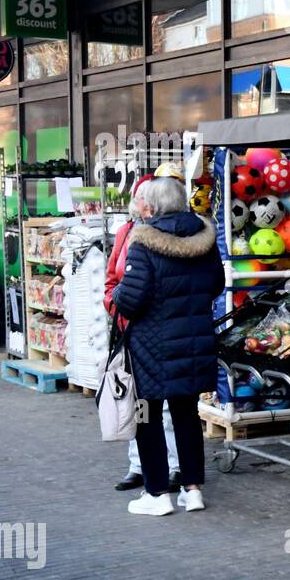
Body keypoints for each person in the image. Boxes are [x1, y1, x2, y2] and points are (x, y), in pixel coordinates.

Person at [112, 176, 224, 516]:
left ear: (153, 206)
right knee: (186, 414)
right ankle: (193, 491)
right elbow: (216, 284)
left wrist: (116, 296)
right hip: (194, 341)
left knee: (147, 417)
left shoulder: (144, 242)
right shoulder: (205, 240)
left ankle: (157, 493)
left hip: (151, 347)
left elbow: (130, 299)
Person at [103, 175, 182, 493]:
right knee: (137, 401)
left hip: (157, 332)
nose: (138, 204)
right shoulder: (125, 233)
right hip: (129, 331)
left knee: (164, 407)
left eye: (142, 199)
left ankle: (174, 466)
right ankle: (139, 464)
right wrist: (113, 304)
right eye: (137, 198)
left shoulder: (165, 236)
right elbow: (112, 276)